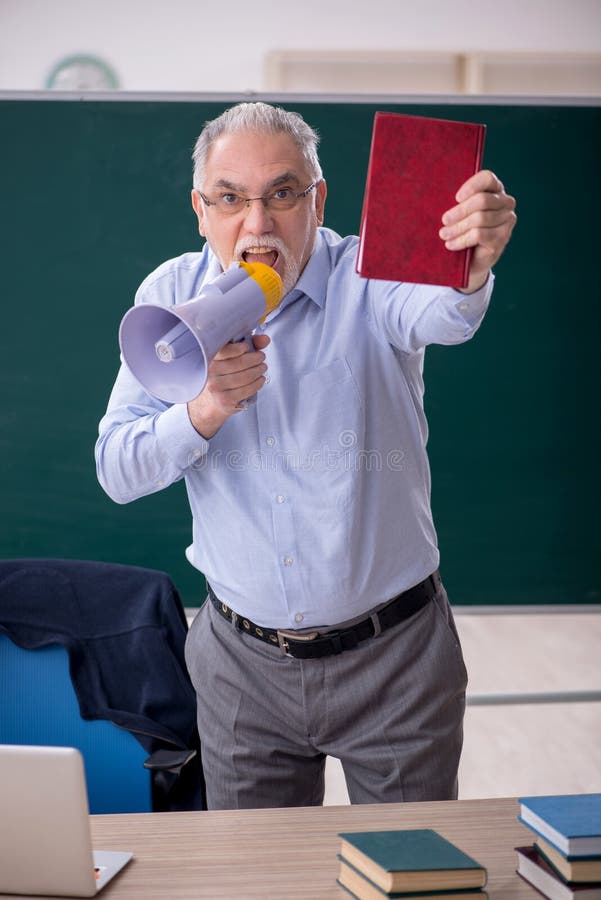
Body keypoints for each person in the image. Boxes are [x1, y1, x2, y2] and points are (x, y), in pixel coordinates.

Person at [96, 101, 516, 810]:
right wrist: (202, 412)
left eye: (282, 194)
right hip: (239, 668)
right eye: (230, 199)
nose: (256, 225)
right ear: (201, 210)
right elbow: (117, 469)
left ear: (316, 200)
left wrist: (468, 270)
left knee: (411, 873)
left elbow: (443, 314)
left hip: (396, 662)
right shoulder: (168, 296)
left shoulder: (370, 274)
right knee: (255, 879)